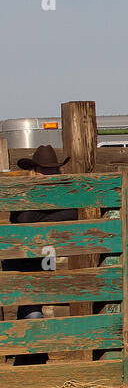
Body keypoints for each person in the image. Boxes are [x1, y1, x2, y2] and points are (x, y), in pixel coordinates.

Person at [2, 144, 78, 366]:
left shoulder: (61, 192)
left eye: (52, 170)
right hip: (20, 258)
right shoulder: (23, 191)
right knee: (31, 305)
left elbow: (71, 214)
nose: (48, 174)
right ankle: (31, 357)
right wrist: (50, 219)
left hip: (45, 257)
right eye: (44, 170)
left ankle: (29, 356)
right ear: (34, 171)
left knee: (34, 304)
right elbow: (24, 220)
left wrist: (40, 220)